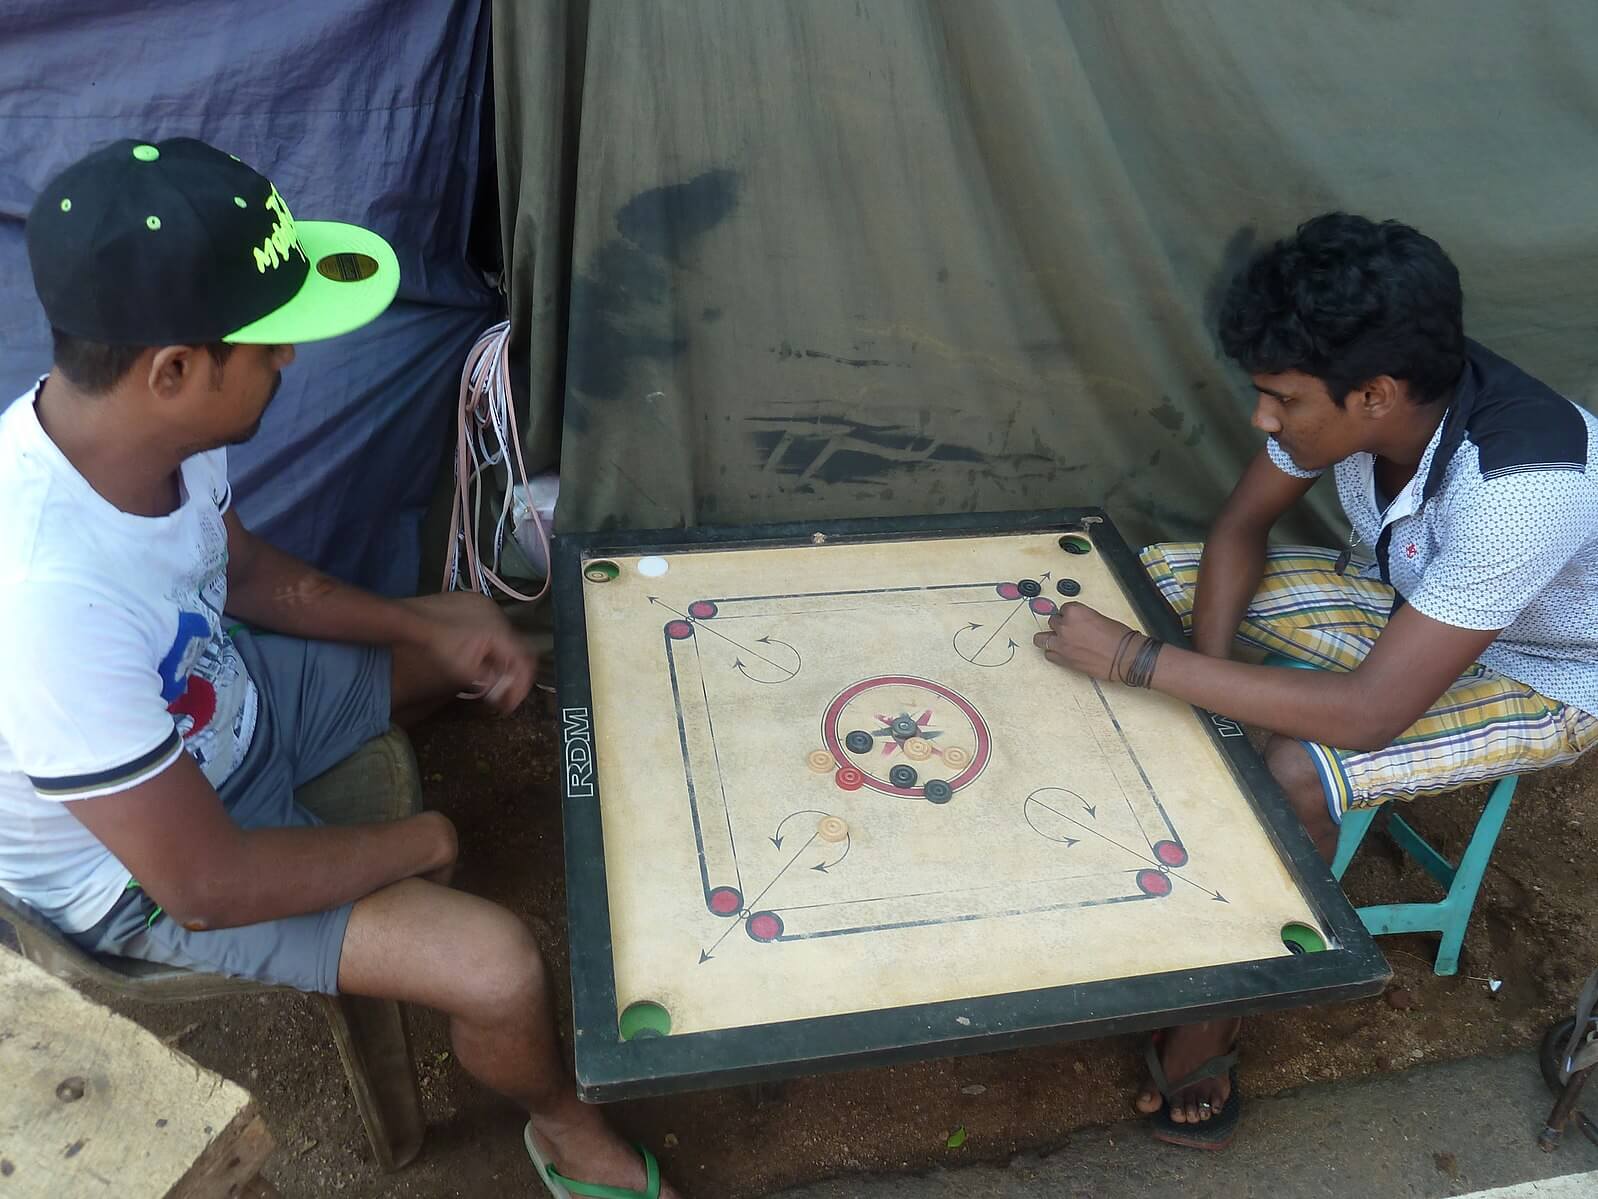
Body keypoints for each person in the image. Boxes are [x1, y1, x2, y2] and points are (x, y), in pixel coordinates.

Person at [0, 138, 676, 1199]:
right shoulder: (45, 602)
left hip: (221, 703)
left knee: (464, 634)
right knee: (499, 967)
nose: (290, 361)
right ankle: (562, 1121)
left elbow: (244, 569)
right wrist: (418, 838)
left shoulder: (142, 433)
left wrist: (420, 628)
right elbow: (209, 883)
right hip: (150, 869)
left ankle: (425, 676)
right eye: (268, 344)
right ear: (173, 368)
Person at [1034, 212, 1598, 1150]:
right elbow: (1236, 531)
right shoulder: (1367, 388)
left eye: (1280, 400)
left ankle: (1210, 1023)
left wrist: (1150, 666)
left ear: (1373, 395)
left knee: (1295, 766)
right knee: (1145, 585)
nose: (1263, 419)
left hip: (1553, 666)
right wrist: (1198, 682)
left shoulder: (1522, 489)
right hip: (1413, 594)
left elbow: (1371, 714)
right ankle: (1140, 848)